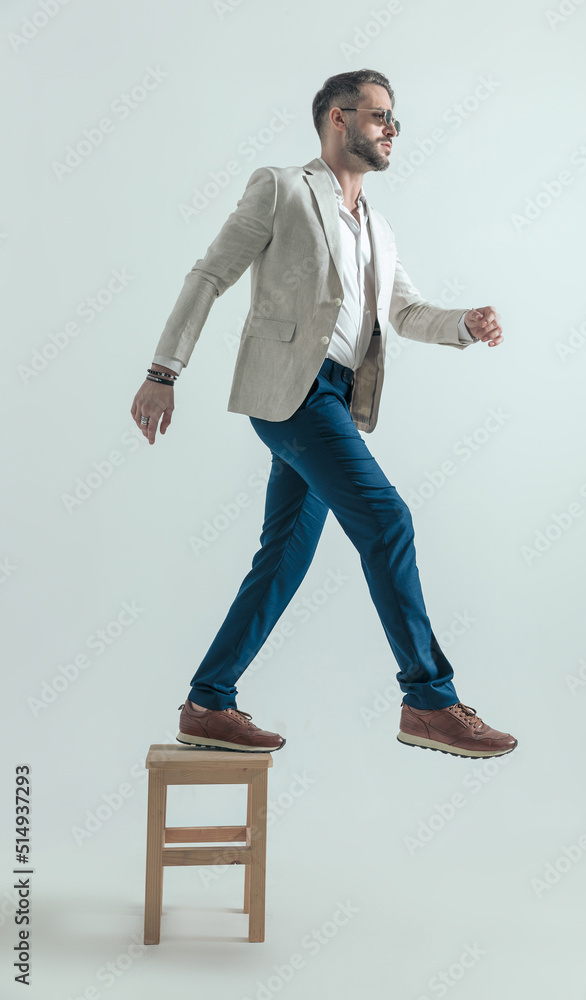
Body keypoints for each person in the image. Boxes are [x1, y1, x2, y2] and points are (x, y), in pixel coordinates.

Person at [130, 69, 517, 760]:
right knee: (386, 518)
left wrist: (465, 322)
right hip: (291, 394)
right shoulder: (281, 188)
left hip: (338, 397)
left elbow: (403, 313)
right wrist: (164, 372)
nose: (391, 129)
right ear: (337, 120)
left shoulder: (378, 225)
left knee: (282, 558)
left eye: (394, 119)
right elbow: (209, 274)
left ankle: (208, 702)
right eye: (378, 117)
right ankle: (428, 700)